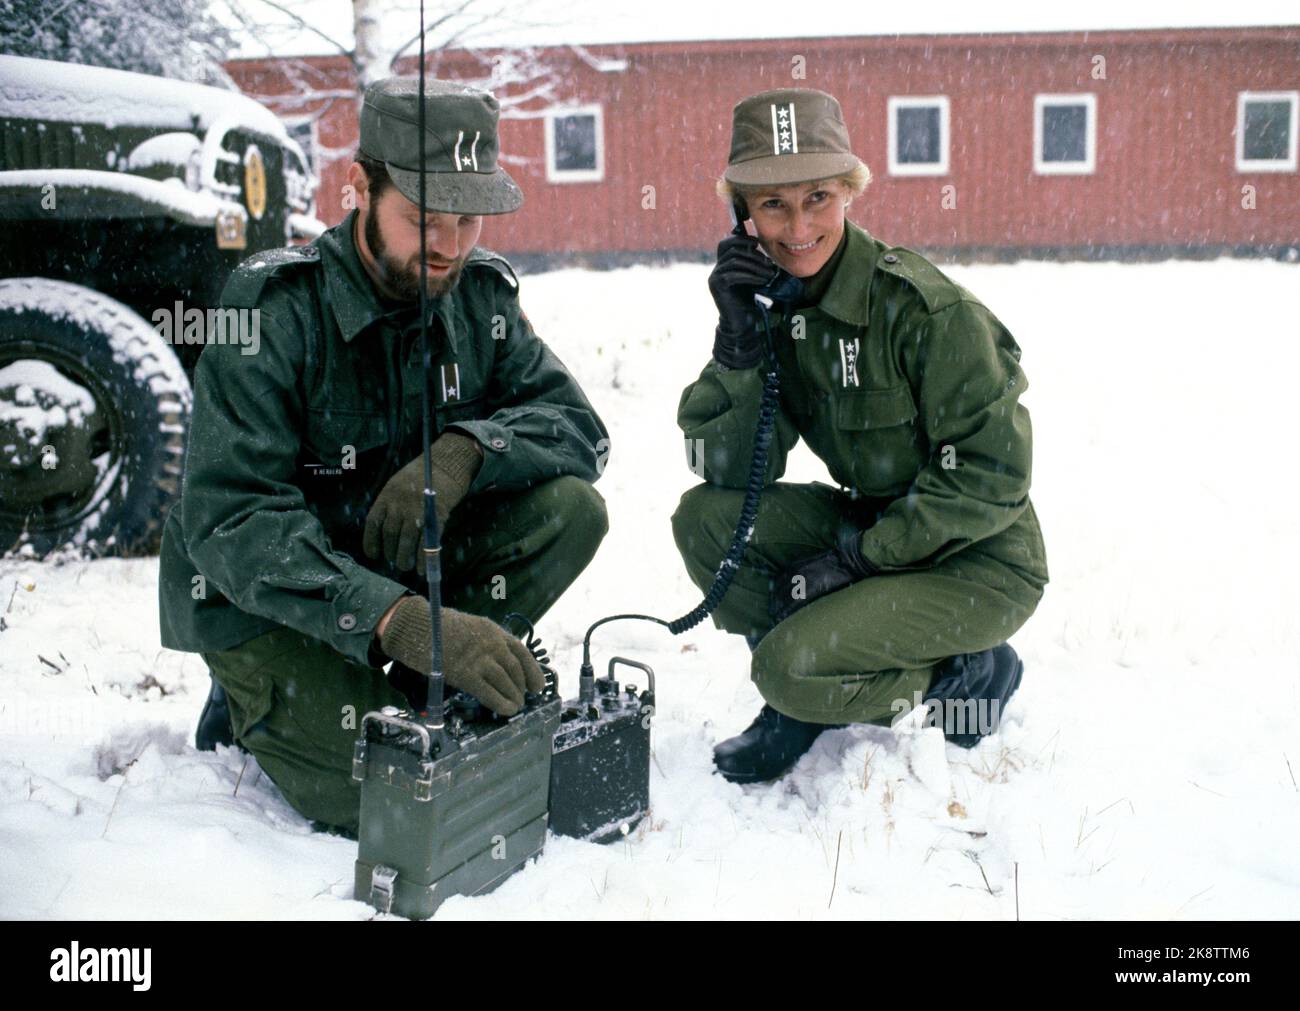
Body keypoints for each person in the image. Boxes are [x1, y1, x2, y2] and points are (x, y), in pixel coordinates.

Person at [158, 77, 610, 835]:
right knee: (388, 793)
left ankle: (418, 674)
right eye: (426, 219)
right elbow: (230, 516)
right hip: (265, 597)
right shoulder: (267, 311)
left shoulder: (478, 298)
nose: (450, 245)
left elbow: (580, 429)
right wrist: (399, 620)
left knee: (571, 509)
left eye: (469, 219)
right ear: (360, 187)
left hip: (393, 576)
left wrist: (467, 449)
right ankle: (259, 692)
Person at [672, 88, 1049, 784]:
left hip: (977, 559)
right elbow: (724, 466)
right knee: (707, 522)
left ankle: (965, 671)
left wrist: (859, 559)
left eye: (817, 196)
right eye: (772, 204)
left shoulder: (926, 311)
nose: (797, 226)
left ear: (850, 190)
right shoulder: (776, 310)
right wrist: (739, 342)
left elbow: (992, 476)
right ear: (742, 215)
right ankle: (806, 698)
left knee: (786, 667)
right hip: (874, 530)